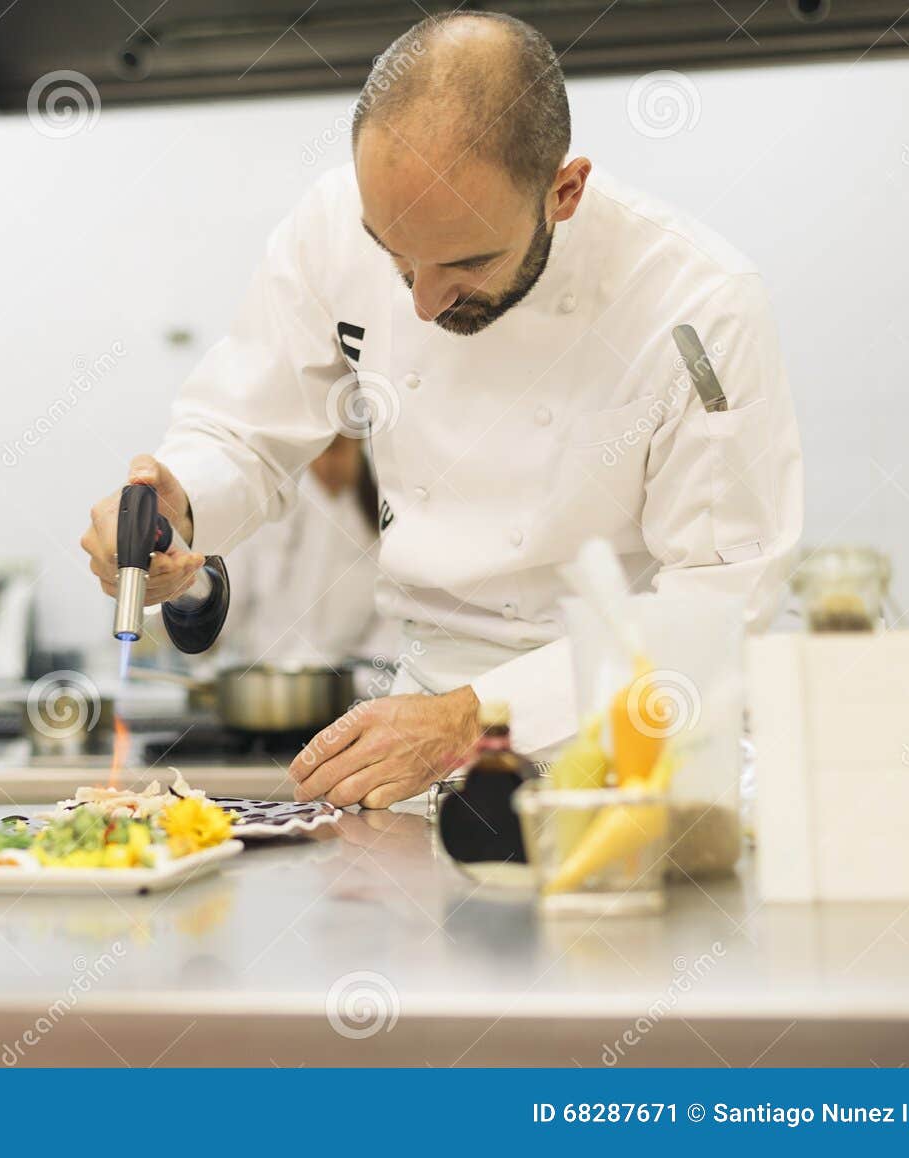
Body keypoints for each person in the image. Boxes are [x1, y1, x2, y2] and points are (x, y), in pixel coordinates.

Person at [80, 11, 803, 808]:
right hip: (416, 744)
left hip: (626, 746)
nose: (423, 303)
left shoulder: (700, 305)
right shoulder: (328, 226)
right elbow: (242, 430)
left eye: (466, 263)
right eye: (392, 253)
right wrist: (178, 504)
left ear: (563, 191)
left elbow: (720, 606)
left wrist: (472, 719)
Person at [216, 434, 397, 666]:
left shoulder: (382, 523)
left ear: (359, 442)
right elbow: (228, 605)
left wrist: (357, 678)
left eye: (336, 449)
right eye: (318, 451)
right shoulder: (273, 509)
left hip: (348, 681)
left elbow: (388, 629)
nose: (326, 463)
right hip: (265, 677)